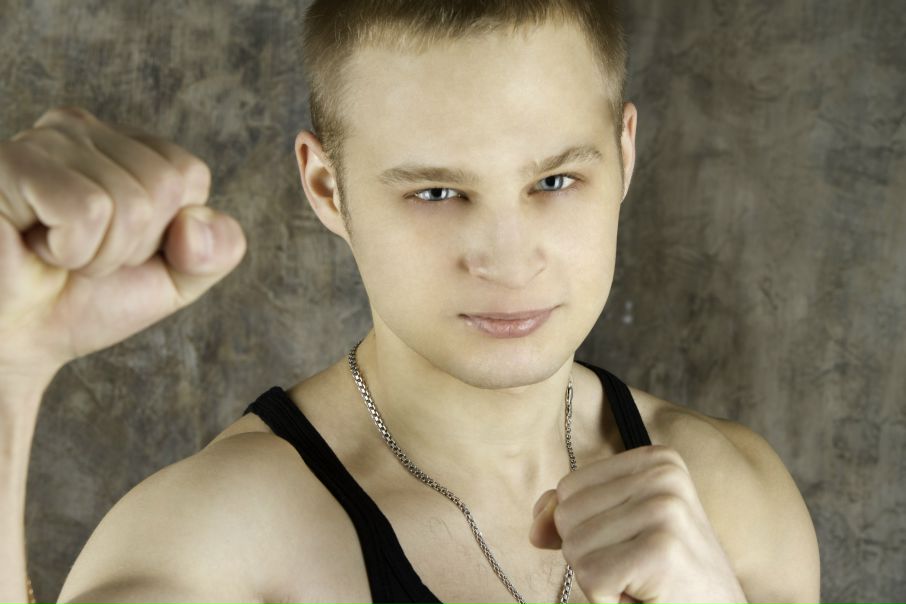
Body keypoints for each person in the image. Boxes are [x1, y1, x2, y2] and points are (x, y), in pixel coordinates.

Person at [0, 1, 821, 602]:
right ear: (328, 188)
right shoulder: (232, 532)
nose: (507, 260)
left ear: (625, 155)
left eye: (554, 181)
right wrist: (7, 370)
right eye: (435, 193)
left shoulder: (733, 495)